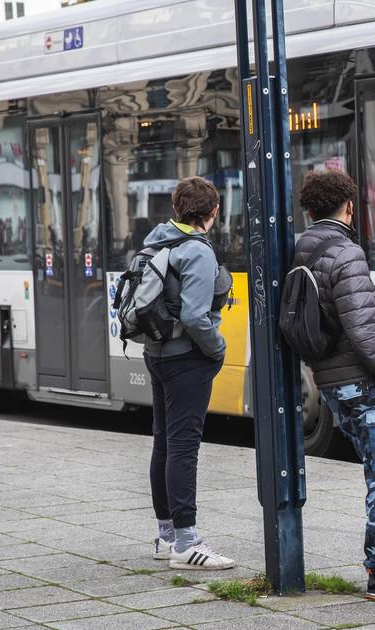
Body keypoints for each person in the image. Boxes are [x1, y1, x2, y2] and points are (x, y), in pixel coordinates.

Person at [292, 169, 375, 601]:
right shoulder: (345, 253)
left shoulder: (299, 250)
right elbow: (363, 325)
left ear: (310, 209)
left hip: (331, 383)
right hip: (365, 381)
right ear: (349, 207)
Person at [144, 177, 234, 571]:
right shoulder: (197, 251)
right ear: (213, 211)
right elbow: (197, 316)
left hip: (157, 354)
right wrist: (217, 350)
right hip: (186, 359)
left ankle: (166, 535)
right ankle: (186, 542)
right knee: (183, 446)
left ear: (178, 207)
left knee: (164, 442)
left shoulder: (158, 239)